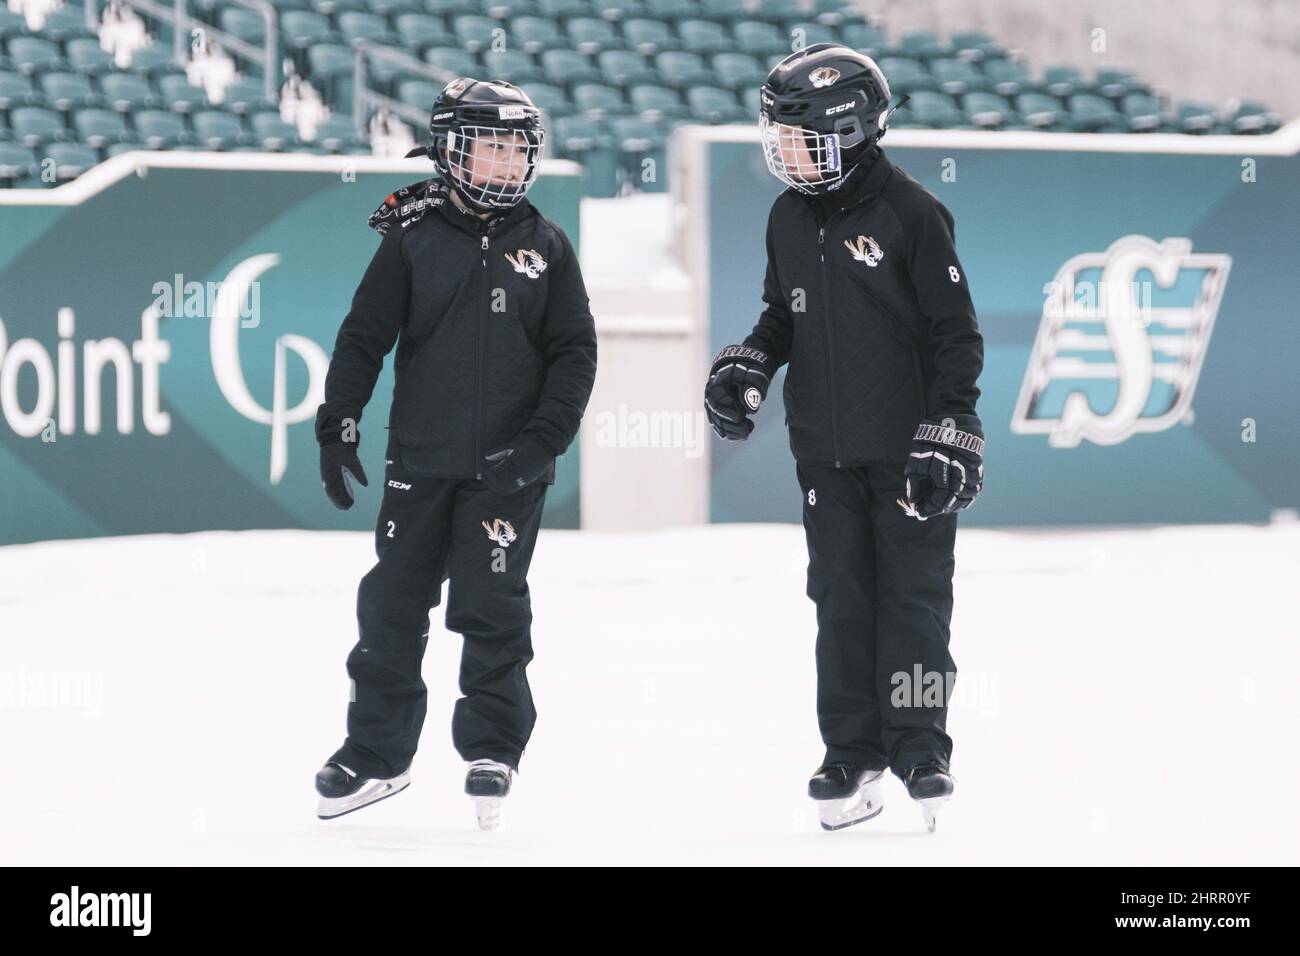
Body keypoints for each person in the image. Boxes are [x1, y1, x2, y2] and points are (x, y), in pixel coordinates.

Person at [704, 44, 985, 832]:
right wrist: (749, 365)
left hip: (910, 457)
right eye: (780, 137)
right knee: (841, 603)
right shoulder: (787, 216)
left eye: (800, 137)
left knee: (915, 603)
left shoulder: (913, 214)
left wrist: (952, 426)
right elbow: (778, 315)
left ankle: (922, 745)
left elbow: (956, 335)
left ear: (854, 129)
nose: (786, 153)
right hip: (822, 450)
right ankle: (850, 750)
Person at [313, 78, 597, 830]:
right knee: (390, 609)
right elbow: (363, 336)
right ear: (449, 151)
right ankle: (375, 755)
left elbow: (575, 355)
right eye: (490, 147)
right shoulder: (412, 236)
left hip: (508, 472)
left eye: (517, 150)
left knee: (492, 609)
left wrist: (539, 448)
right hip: (419, 464)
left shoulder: (547, 247)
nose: (505, 164)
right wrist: (338, 420)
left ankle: (492, 749)